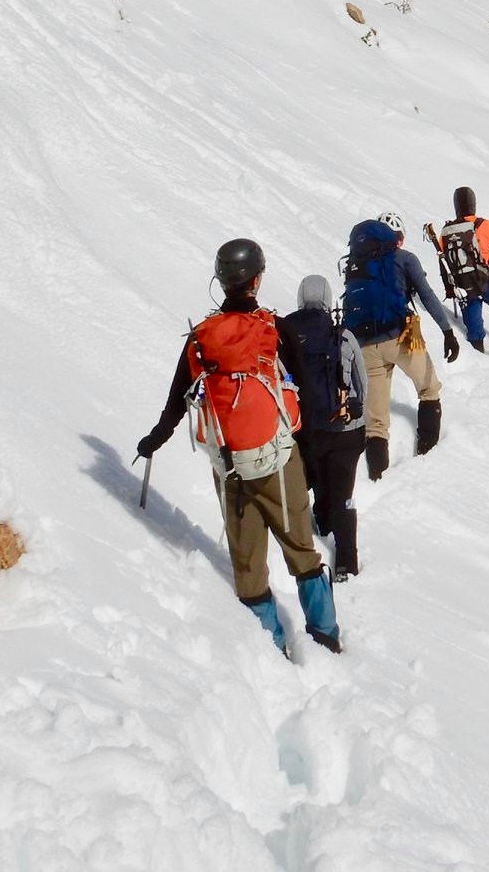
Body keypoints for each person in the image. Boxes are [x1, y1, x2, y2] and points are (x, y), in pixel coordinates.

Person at [136, 237, 342, 656]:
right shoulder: (274, 329)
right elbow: (302, 396)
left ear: (222, 281)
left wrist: (156, 438)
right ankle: (324, 634)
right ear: (258, 280)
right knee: (301, 550)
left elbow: (177, 398)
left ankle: (269, 647)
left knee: (248, 566)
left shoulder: (201, 338)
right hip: (278, 462)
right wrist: (314, 472)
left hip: (229, 467)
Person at [341, 210, 459, 480]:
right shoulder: (404, 258)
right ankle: (427, 458)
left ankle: (376, 479)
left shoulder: (356, 264)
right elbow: (427, 296)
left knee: (377, 424)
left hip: (366, 345)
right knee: (429, 390)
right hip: (401, 336)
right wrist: (447, 331)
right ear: (399, 239)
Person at [282, 275, 368, 581]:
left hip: (306, 429)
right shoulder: (342, 336)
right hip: (346, 428)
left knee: (317, 484)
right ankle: (346, 562)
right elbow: (362, 383)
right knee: (343, 493)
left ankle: (321, 529)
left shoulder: (288, 337)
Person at [434, 186, 489, 352]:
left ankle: (478, 352)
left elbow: (443, 264)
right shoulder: (485, 225)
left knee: (474, 330)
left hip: (464, 286)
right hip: (488, 281)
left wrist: (449, 288)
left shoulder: (447, 232)